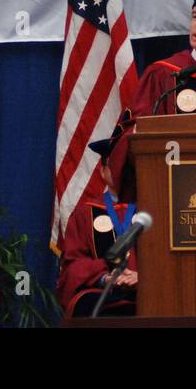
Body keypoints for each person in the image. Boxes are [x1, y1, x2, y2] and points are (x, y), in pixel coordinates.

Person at [57, 114, 139, 317]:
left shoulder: (154, 208)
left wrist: (142, 277)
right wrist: (104, 276)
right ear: (103, 172)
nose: (121, 171)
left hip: (148, 289)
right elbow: (73, 267)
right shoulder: (86, 212)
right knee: (88, 306)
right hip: (102, 290)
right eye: (115, 165)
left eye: (125, 165)